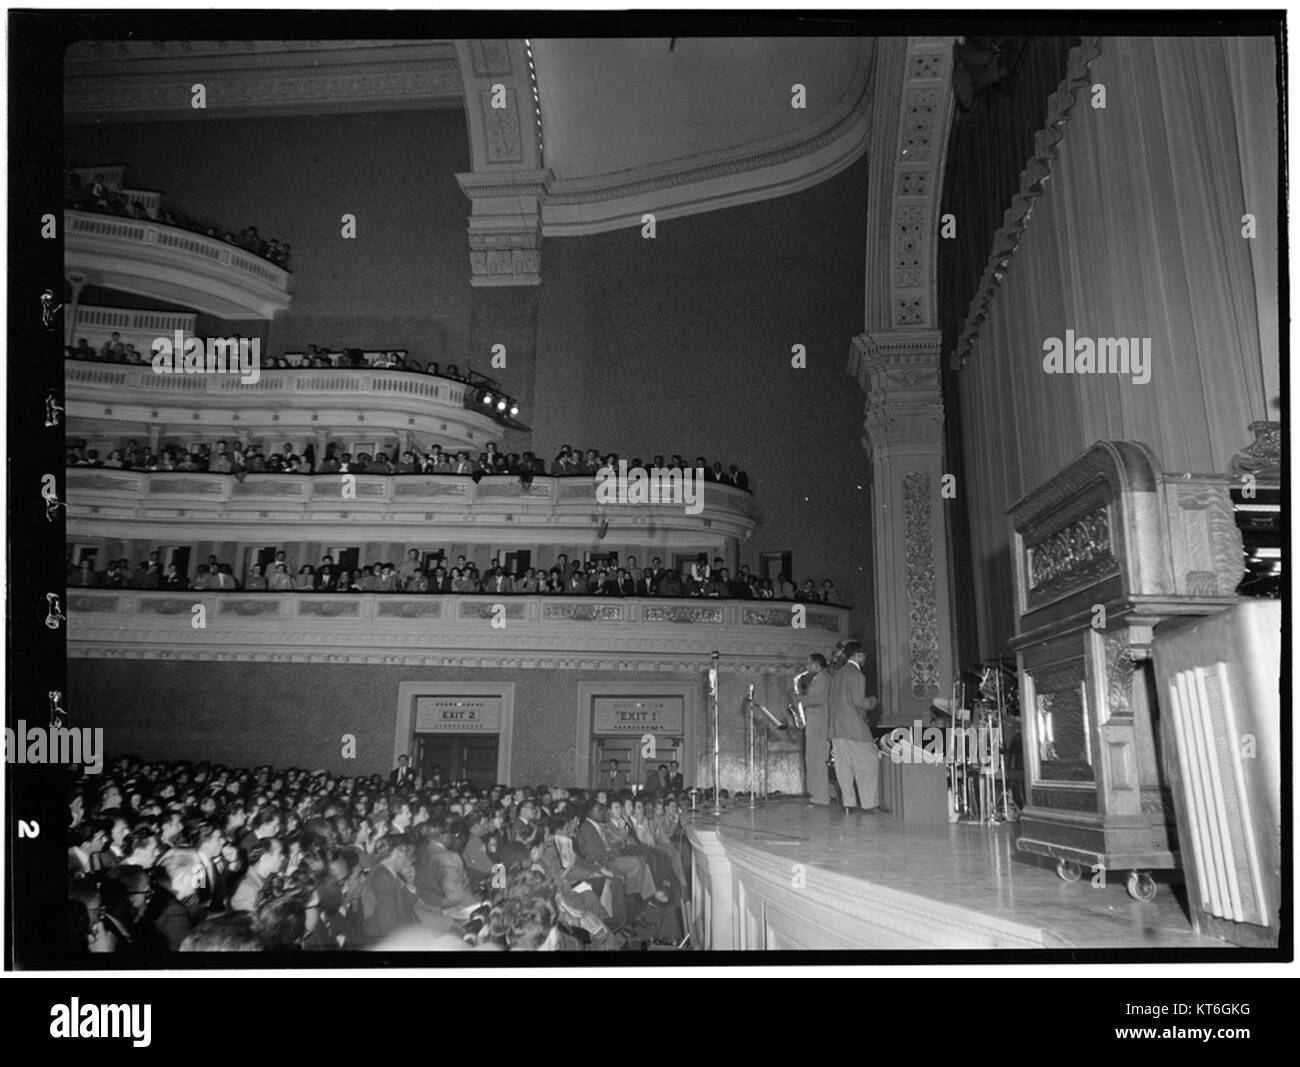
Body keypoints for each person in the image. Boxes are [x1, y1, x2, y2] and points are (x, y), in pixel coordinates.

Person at [828, 642, 881, 813]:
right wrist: (873, 701)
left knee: (844, 767)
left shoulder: (837, 675)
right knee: (869, 762)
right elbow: (859, 702)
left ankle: (848, 804)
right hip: (854, 727)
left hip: (836, 728)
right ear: (857, 655)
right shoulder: (857, 675)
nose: (865, 658)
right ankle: (869, 803)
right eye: (863, 655)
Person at [797, 653, 833, 806]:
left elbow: (819, 699)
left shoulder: (824, 679)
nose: (806, 667)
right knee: (813, 759)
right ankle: (817, 794)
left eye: (808, 663)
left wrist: (799, 699)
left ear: (817, 665)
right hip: (815, 723)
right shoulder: (819, 679)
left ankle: (821, 796)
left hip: (820, 725)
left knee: (818, 760)